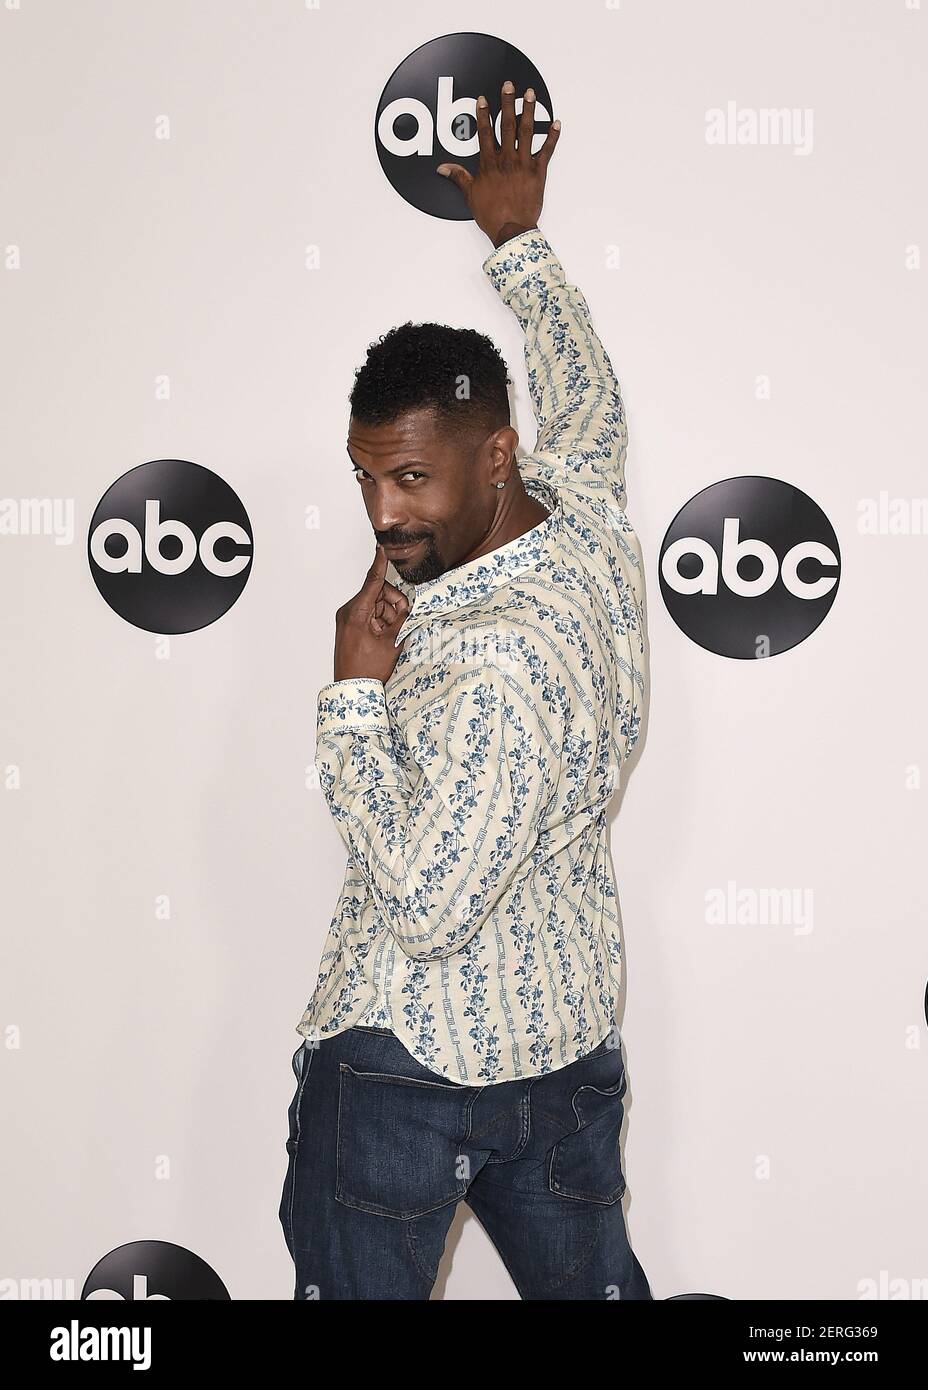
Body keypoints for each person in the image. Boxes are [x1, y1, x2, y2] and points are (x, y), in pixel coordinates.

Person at [279, 80, 651, 1300]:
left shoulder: (493, 664)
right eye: (366, 477)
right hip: (561, 1058)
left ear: (492, 459)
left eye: (409, 481)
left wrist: (352, 698)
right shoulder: (580, 501)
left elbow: (430, 906)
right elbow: (586, 392)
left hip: (405, 1065)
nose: (383, 515)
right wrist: (519, 241)